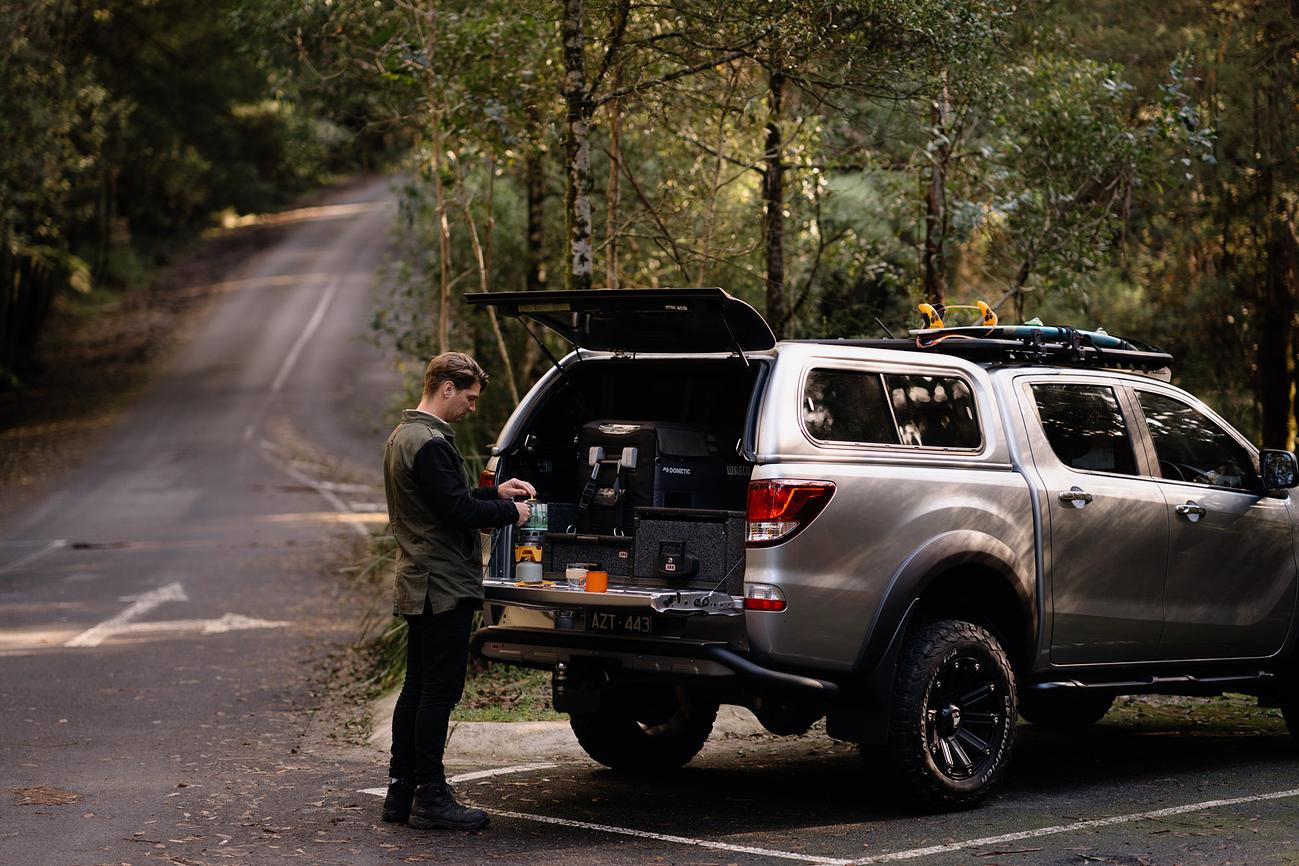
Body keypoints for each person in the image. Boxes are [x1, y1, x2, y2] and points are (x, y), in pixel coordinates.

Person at [380, 352, 535, 831]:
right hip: (443, 585)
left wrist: (495, 493)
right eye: (468, 397)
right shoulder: (429, 443)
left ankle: (400, 791)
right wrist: (512, 514)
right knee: (438, 692)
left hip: (420, 579)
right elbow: (454, 511)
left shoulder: (403, 437)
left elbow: (448, 499)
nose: (471, 407)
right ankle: (431, 795)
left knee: (417, 689)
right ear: (447, 387)